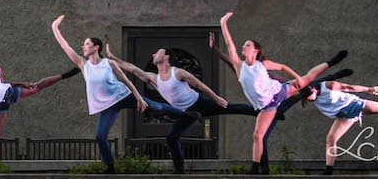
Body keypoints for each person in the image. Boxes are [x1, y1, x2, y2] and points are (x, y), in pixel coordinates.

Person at [50, 16, 194, 174]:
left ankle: (187, 114)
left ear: (96, 47)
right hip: (107, 105)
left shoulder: (109, 63)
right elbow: (65, 47)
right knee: (100, 136)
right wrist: (55, 28)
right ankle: (110, 167)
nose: (83, 47)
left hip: (122, 95)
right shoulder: (83, 64)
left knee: (155, 107)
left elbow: (125, 80)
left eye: (86, 44)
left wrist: (138, 98)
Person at [218, 12, 347, 175]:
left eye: (247, 45)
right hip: (268, 106)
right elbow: (229, 44)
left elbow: (283, 67)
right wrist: (223, 23)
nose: (243, 46)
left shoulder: (263, 64)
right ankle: (255, 169)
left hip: (280, 91)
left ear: (256, 50)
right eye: (243, 45)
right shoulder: (239, 66)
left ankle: (331, 62)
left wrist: (297, 78)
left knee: (308, 78)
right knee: (258, 136)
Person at [106, 43, 257, 174]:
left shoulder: (177, 72)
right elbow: (131, 68)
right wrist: (113, 58)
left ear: (166, 57)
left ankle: (267, 111)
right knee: (171, 138)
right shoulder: (153, 77)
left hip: (200, 103)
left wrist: (216, 98)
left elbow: (198, 84)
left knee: (231, 108)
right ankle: (179, 170)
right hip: (186, 113)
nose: (153, 54)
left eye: (157, 52)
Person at [0, 22, 80, 170]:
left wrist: (20, 83)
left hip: (9, 93)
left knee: (36, 86)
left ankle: (65, 75)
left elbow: (2, 84)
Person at [303, 78, 378, 175]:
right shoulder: (304, 92)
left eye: (309, 96)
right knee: (331, 139)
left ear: (314, 89)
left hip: (354, 105)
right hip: (344, 116)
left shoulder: (328, 86)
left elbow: (349, 87)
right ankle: (328, 170)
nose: (308, 99)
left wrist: (369, 89)